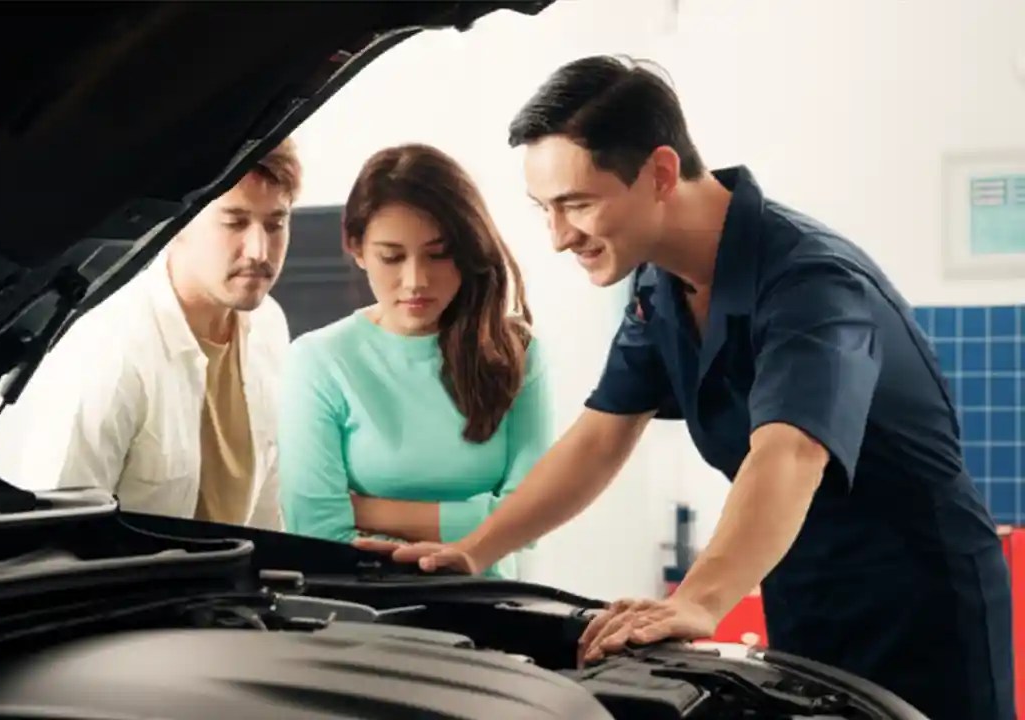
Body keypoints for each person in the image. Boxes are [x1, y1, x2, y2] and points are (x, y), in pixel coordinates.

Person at [354, 57, 1014, 719]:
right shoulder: (658, 286)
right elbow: (599, 437)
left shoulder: (812, 282)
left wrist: (697, 599)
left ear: (661, 174)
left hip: (924, 610)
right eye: (545, 211)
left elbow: (789, 453)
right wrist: (476, 549)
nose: (557, 238)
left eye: (577, 205)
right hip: (802, 596)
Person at [277, 143, 553, 579]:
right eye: (392, 257)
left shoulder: (516, 353)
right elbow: (319, 534)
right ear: (356, 247)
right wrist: (477, 523)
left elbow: (530, 518)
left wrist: (371, 511)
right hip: (365, 611)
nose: (415, 281)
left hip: (492, 611)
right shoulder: (317, 362)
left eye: (438, 254)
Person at [14, 138, 302, 529]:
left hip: (229, 581)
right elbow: (54, 530)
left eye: (275, 223)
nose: (259, 250)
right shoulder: (109, 346)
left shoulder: (268, 324)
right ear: (177, 224)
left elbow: (268, 512)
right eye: (235, 222)